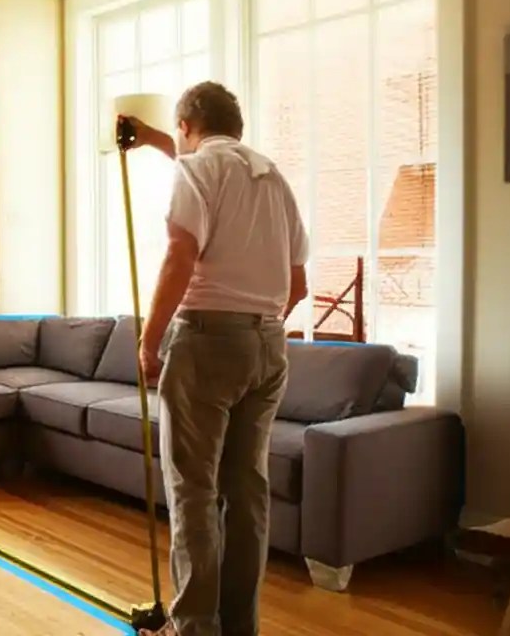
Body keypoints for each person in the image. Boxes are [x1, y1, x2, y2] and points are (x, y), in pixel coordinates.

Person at [127, 82, 309, 636]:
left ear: (189, 126)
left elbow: (181, 254)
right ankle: (238, 627)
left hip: (206, 343)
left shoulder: (197, 172)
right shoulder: (273, 178)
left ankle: (193, 630)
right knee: (247, 492)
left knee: (194, 492)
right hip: (269, 345)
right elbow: (297, 283)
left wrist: (149, 341)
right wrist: (256, 317)